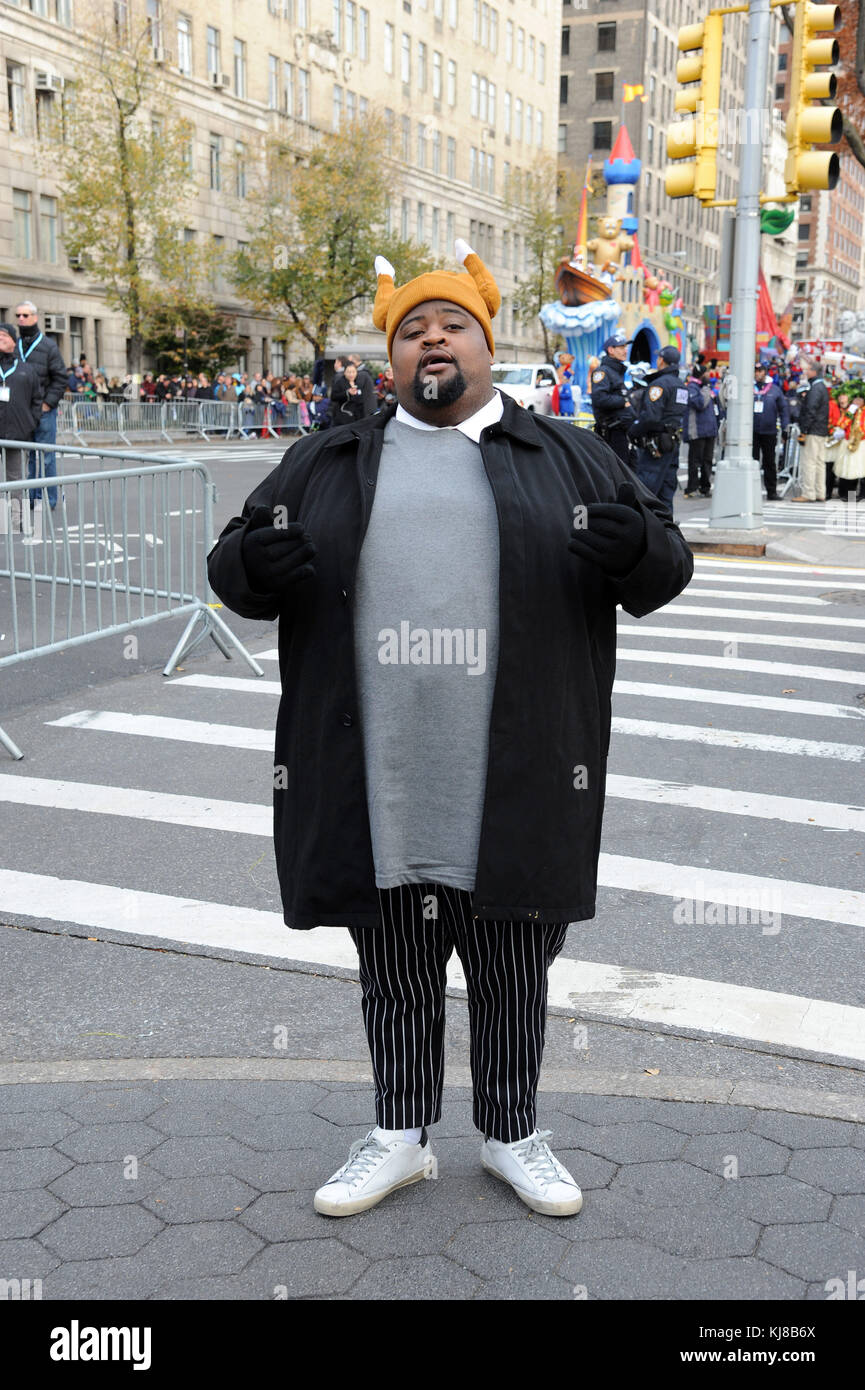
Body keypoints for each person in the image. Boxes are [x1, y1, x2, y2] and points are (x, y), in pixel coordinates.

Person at [206, 239, 693, 1221]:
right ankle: (398, 1137)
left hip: (511, 782)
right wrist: (255, 562)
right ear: (390, 362)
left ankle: (514, 1136)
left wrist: (638, 542)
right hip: (374, 783)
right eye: (411, 330)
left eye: (452, 325)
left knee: (514, 975)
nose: (432, 340)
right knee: (393, 975)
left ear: (485, 342)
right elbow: (232, 574)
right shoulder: (329, 457)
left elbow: (663, 571)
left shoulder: (565, 454)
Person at [13, 301, 66, 511]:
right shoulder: (16, 345)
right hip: (23, 412)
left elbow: (60, 378)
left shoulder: (48, 346)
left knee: (46, 456)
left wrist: (47, 404)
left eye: (25, 315)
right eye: (18, 315)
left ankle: (50, 498)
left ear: (35, 317)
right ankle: (33, 498)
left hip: (43, 411)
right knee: (29, 456)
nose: (21, 319)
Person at [627, 345, 688, 509]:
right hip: (672, 443)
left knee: (646, 491)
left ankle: (646, 531)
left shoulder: (659, 385)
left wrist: (633, 431)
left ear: (661, 360)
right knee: (666, 495)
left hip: (656, 446)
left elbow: (651, 417)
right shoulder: (681, 386)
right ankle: (667, 531)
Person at [0, 321, 44, 530]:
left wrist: (30, 423)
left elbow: (37, 399)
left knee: (16, 479)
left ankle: (17, 519)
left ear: (13, 341)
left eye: (4, 336)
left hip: (17, 433)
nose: (0, 339)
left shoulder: (26, 369)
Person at [590, 333, 633, 464]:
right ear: (611, 350)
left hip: (621, 431)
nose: (625, 350)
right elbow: (599, 398)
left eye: (625, 347)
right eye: (621, 347)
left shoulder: (616, 372)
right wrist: (623, 402)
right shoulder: (602, 372)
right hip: (611, 432)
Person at [792, 355, 829, 502]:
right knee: (820, 462)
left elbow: (810, 410)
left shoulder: (815, 389)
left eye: (808, 370)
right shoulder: (822, 388)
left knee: (809, 462)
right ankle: (820, 492)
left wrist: (804, 430)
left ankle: (808, 493)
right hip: (821, 430)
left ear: (814, 371)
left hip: (813, 430)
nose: (806, 372)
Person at [752, 362, 788, 502]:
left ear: (765, 372)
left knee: (769, 463)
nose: (758, 373)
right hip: (752, 432)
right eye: (755, 371)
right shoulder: (749, 388)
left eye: (760, 371)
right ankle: (751, 491)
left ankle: (771, 491)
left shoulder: (774, 390)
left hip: (769, 431)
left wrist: (785, 427)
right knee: (752, 461)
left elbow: (784, 410)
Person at [683, 367, 717, 499]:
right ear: (701, 375)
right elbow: (700, 404)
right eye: (707, 373)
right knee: (695, 461)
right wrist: (706, 389)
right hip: (697, 430)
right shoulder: (692, 388)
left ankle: (705, 487)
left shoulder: (704, 388)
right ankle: (691, 488)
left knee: (707, 461)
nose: (709, 375)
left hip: (709, 430)